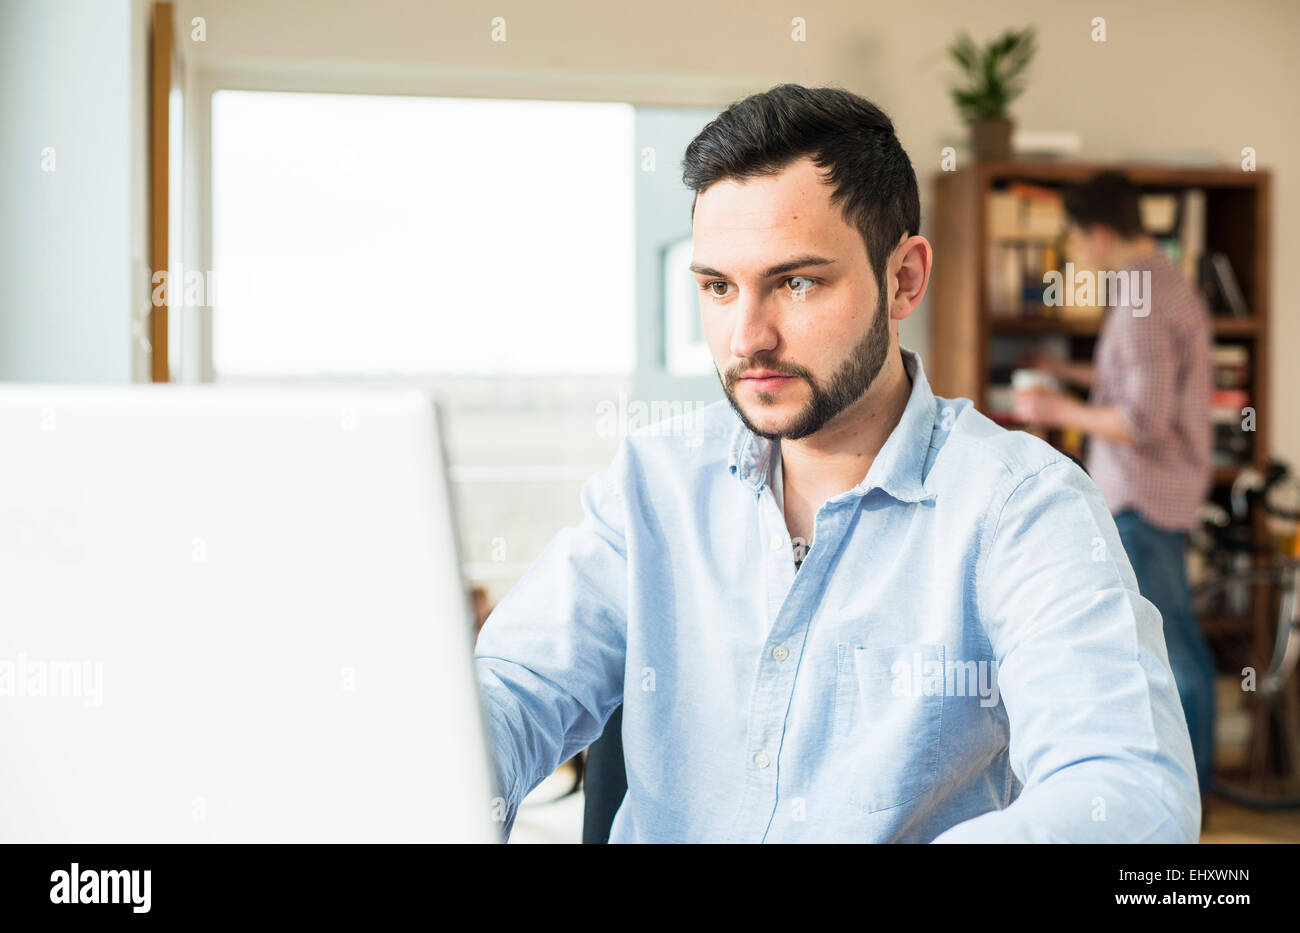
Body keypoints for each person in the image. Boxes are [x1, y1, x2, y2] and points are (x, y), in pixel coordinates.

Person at [474, 85, 1200, 842]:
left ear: (904, 279)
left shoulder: (1021, 505)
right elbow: (512, 692)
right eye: (718, 287)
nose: (747, 337)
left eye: (796, 282)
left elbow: (1128, 792)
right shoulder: (652, 483)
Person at [1012, 172, 1215, 812]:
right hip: (1147, 496)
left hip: (1143, 499)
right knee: (1168, 641)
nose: (1077, 250)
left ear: (1097, 232)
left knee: (1168, 653)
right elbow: (1130, 384)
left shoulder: (1146, 297)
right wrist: (1065, 373)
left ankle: (1184, 800)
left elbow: (1141, 421)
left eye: (1074, 236)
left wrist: (1056, 406)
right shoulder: (1154, 283)